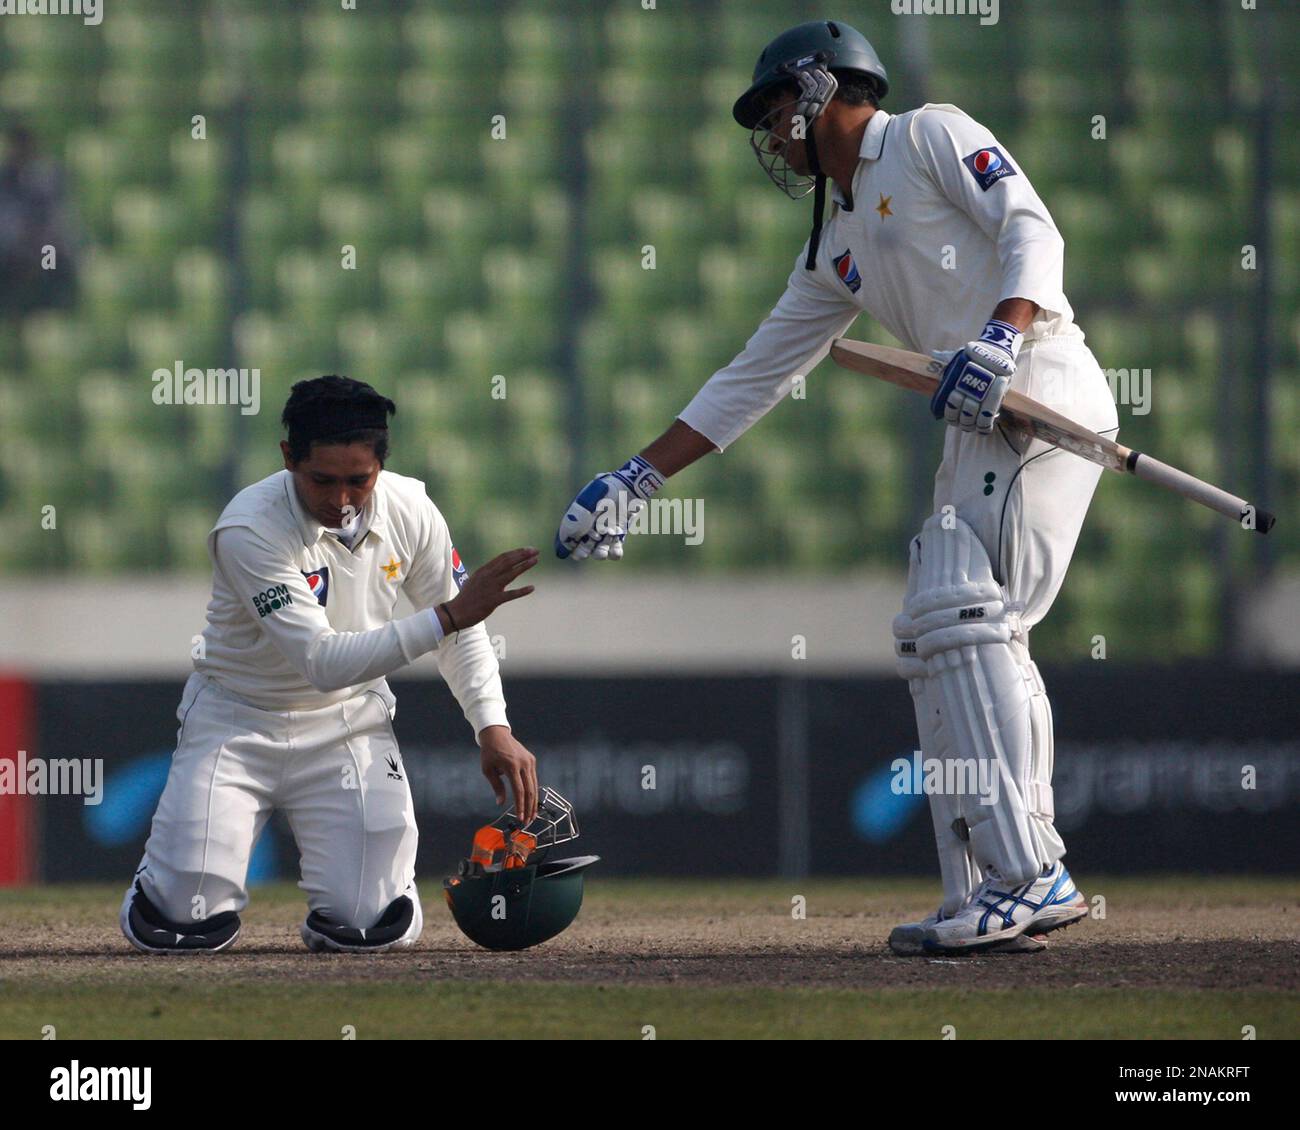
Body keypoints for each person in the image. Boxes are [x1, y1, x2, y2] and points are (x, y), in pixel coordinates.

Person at [554, 20, 1118, 955]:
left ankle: (1034, 874)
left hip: (1041, 386)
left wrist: (1000, 337)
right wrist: (639, 476)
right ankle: (978, 884)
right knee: (939, 626)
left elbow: (1030, 226)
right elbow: (755, 374)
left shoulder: (931, 133)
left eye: (778, 111)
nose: (774, 137)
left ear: (822, 88)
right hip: (976, 415)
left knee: (976, 619)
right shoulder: (836, 241)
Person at [121, 375, 540, 954]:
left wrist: (493, 727)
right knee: (186, 916)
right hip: (237, 721)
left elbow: (462, 630)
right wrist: (446, 616)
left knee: (369, 922)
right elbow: (320, 660)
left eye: (357, 480)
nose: (341, 500)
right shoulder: (250, 528)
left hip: (348, 723)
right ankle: (162, 884)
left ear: (381, 466)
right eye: (322, 480)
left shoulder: (411, 508)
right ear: (289, 457)